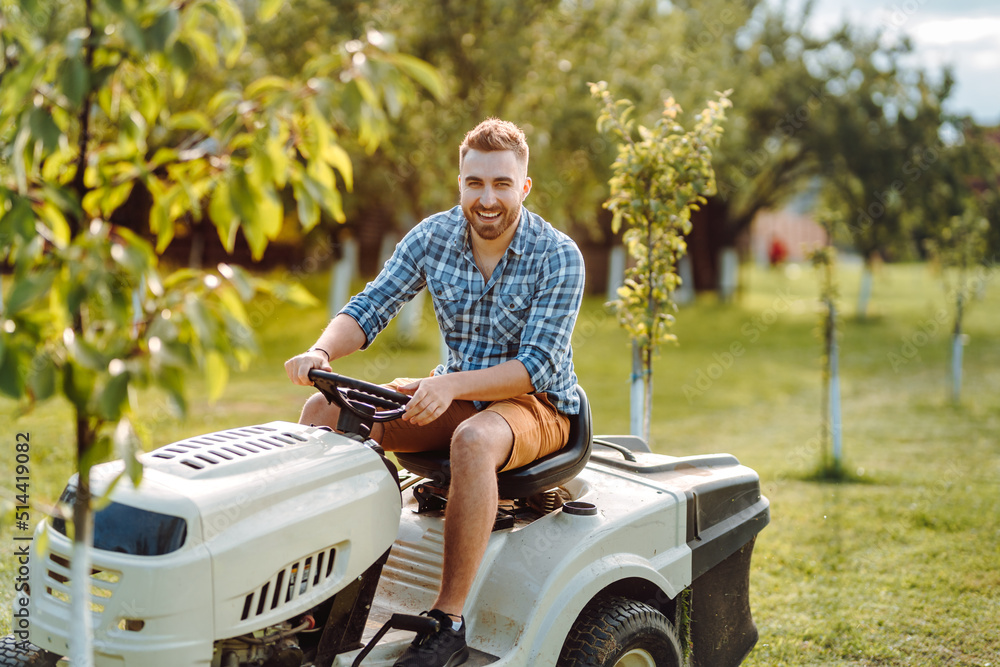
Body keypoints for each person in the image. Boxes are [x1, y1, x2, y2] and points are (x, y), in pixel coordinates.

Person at [285, 118, 585, 667]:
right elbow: (370, 307)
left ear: (524, 186)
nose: (487, 198)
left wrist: (446, 386)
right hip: (453, 392)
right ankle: (310, 595)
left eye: (501, 184)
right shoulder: (432, 237)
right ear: (460, 183)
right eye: (475, 183)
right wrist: (322, 352)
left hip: (537, 405)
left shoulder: (559, 255)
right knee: (322, 409)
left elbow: (535, 367)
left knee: (472, 440)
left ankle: (447, 622)